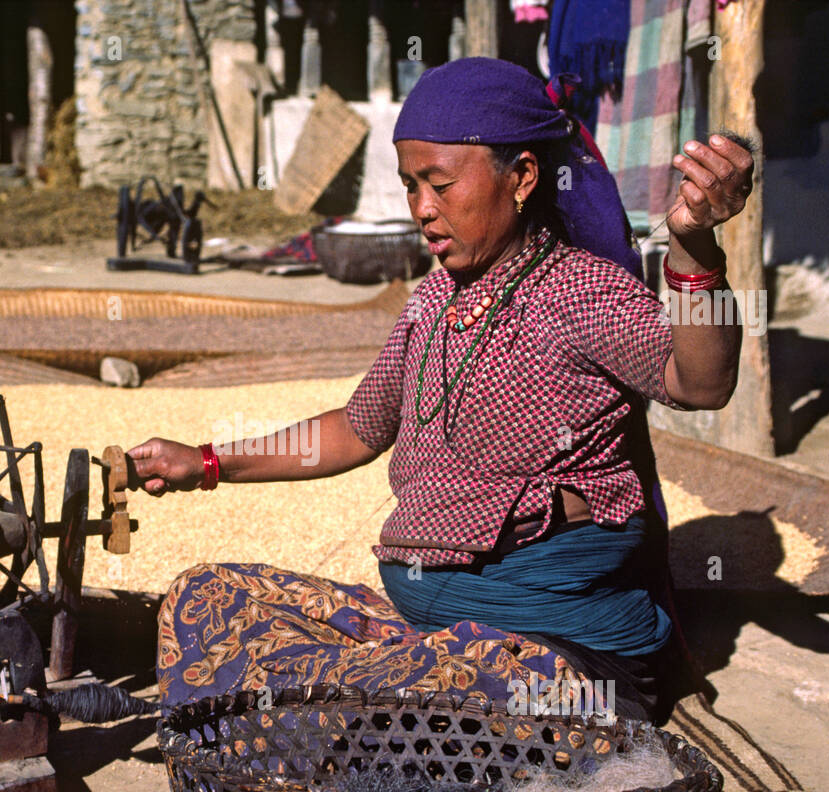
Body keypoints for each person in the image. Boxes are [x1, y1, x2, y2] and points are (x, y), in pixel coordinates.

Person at [128, 58, 754, 724]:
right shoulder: (433, 301)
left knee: (352, 709)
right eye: (409, 186)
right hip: (440, 645)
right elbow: (355, 428)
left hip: (562, 664)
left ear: (522, 178)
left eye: (440, 184)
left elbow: (701, 381)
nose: (422, 209)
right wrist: (207, 462)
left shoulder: (577, 292)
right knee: (207, 599)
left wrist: (693, 249)